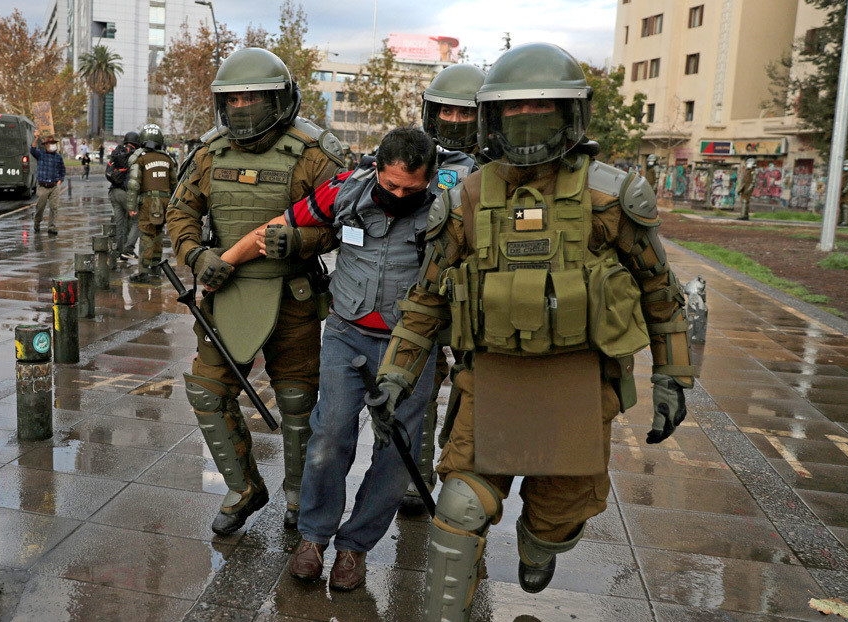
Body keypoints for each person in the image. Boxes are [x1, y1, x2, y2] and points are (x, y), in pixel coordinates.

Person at [373, 43, 696, 621]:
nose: (526, 128)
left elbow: (659, 291)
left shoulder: (610, 197)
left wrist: (674, 376)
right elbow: (425, 299)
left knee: (557, 518)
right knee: (458, 508)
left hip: (580, 384)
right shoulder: (466, 199)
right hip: (491, 379)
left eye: (541, 113)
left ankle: (542, 538)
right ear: (490, 120)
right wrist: (395, 373)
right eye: (512, 115)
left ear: (572, 116)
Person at [164, 47, 345, 536]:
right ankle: (244, 487)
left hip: (294, 296)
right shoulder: (208, 151)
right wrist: (196, 255)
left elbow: (344, 221)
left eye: (255, 97)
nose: (243, 107)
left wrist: (303, 239)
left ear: (280, 99)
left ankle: (297, 498)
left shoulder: (314, 152)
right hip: (226, 292)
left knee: (296, 401)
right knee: (206, 392)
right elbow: (179, 213)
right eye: (234, 98)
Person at [270, 128, 442, 591]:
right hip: (347, 333)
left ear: (430, 178)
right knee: (328, 435)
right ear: (376, 170)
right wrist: (220, 262)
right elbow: (286, 224)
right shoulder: (345, 190)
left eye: (412, 189)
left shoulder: (449, 206)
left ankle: (354, 548)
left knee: (396, 452)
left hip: (411, 343)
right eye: (392, 185)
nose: (400, 195)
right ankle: (313, 537)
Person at [401, 63, 485, 516]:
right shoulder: (416, 155)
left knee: (473, 388)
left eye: (464, 112)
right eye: (444, 111)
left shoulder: (502, 165)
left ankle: (462, 476)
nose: (453, 121)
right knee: (419, 383)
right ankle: (417, 476)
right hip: (427, 290)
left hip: (480, 297)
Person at [127, 123, 179, 283]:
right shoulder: (167, 158)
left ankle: (143, 272)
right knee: (157, 234)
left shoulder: (141, 158)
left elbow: (134, 184)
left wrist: (131, 206)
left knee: (146, 234)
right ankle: (156, 267)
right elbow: (174, 183)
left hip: (148, 201)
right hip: (166, 201)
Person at [108, 131, 141, 261]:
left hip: (113, 193)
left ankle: (118, 253)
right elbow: (131, 180)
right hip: (125, 193)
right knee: (137, 221)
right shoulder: (133, 155)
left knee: (119, 225)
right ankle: (128, 250)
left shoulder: (117, 152)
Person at [31, 131, 66, 234]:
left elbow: (62, 169)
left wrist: (60, 180)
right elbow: (32, 149)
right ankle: (37, 223)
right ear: (46, 145)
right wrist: (36, 138)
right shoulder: (41, 154)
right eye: (51, 143)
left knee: (54, 207)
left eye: (54, 143)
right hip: (43, 186)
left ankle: (52, 226)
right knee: (40, 207)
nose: (53, 146)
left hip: (54, 185)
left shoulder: (58, 156)